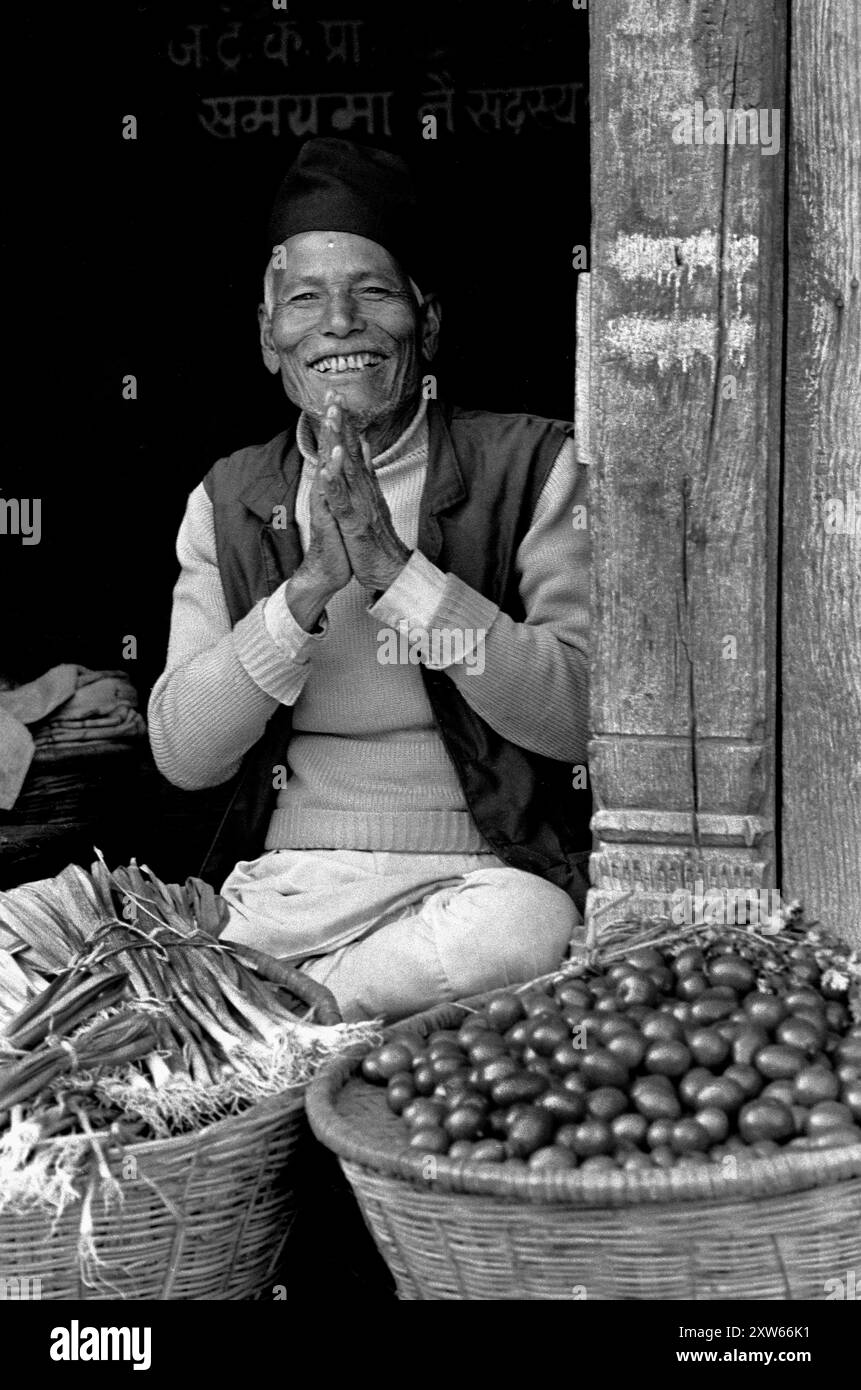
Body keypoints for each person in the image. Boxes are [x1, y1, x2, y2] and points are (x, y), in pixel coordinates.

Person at [148, 138, 591, 1022]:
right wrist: (306, 589)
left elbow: (581, 719)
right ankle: (290, 1009)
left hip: (471, 885)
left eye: (374, 292)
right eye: (303, 299)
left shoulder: (532, 465)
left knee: (525, 931)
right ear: (270, 341)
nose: (338, 322)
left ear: (425, 325)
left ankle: (282, 1020)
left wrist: (399, 574)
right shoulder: (231, 497)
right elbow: (183, 756)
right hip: (281, 893)